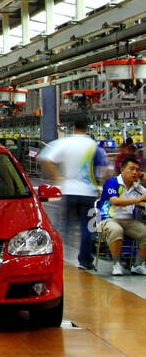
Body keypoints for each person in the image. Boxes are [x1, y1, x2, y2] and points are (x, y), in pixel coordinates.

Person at [38, 113, 110, 271]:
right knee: (87, 227)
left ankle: (58, 257)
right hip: (89, 192)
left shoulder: (66, 142)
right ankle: (85, 261)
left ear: (74, 128)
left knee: (65, 226)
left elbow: (45, 158)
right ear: (87, 128)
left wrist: (57, 178)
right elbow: (104, 170)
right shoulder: (94, 146)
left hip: (69, 191)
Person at [98, 157, 146, 275]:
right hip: (108, 219)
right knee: (116, 230)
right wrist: (138, 199)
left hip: (128, 221)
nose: (135, 172)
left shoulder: (137, 187)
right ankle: (116, 264)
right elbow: (115, 201)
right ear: (122, 169)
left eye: (137, 170)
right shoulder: (112, 182)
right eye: (131, 169)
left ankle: (138, 265)